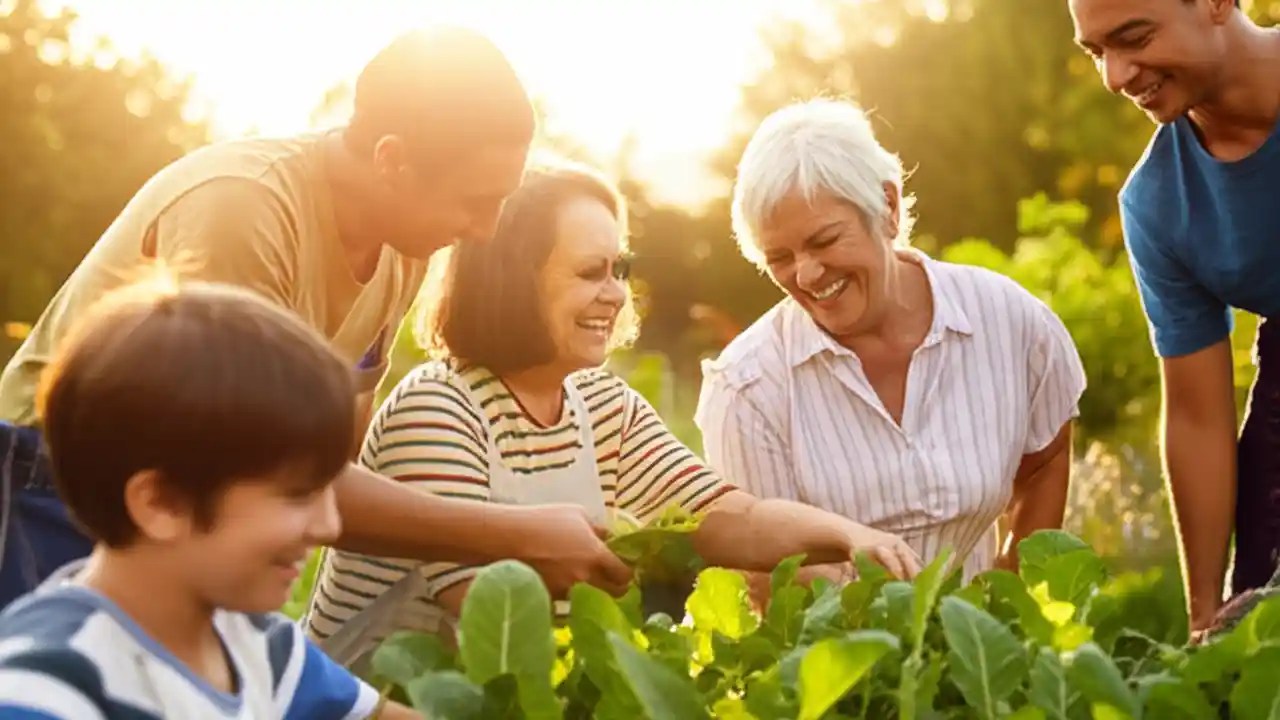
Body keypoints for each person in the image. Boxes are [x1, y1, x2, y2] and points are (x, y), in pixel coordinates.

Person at [0, 27, 631, 609]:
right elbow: (250, 459)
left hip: (189, 504)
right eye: (476, 201)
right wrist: (514, 534)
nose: (486, 230)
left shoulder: (403, 243)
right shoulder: (243, 210)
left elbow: (329, 449)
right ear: (392, 159)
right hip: (58, 485)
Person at [302, 159, 924, 664]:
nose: (616, 293)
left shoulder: (602, 406)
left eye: (619, 270)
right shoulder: (439, 409)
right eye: (590, 273)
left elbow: (733, 518)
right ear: (514, 280)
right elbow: (491, 616)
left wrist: (846, 536)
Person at [694, 99, 1087, 583]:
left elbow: (1044, 461)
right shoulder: (748, 388)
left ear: (887, 207)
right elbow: (769, 579)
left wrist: (1008, 602)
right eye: (780, 257)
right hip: (828, 649)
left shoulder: (1009, 320)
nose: (808, 273)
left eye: (824, 241)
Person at [0, 279, 421, 719]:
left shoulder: (253, 643)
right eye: (298, 495)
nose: (329, 526)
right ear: (162, 503)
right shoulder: (46, 692)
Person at [1067, 0, 1280, 633]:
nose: (1114, 75)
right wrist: (1204, 619)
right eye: (1095, 52)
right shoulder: (1159, 202)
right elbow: (1197, 415)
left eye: (1132, 38)